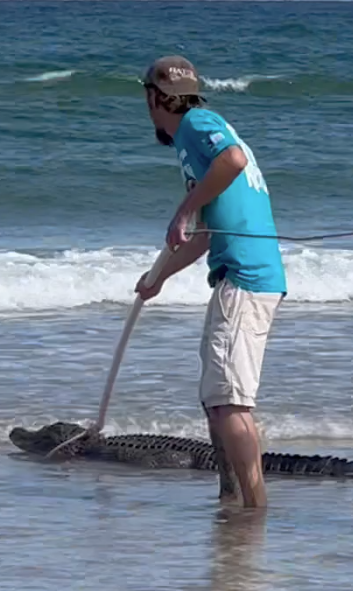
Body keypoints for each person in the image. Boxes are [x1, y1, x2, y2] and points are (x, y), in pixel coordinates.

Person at [135, 55, 287, 508]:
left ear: (154, 98)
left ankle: (254, 508)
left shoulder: (198, 124)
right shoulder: (195, 143)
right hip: (236, 275)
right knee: (215, 399)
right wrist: (158, 277)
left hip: (245, 276)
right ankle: (231, 495)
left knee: (228, 403)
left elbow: (234, 160)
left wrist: (183, 209)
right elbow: (205, 235)